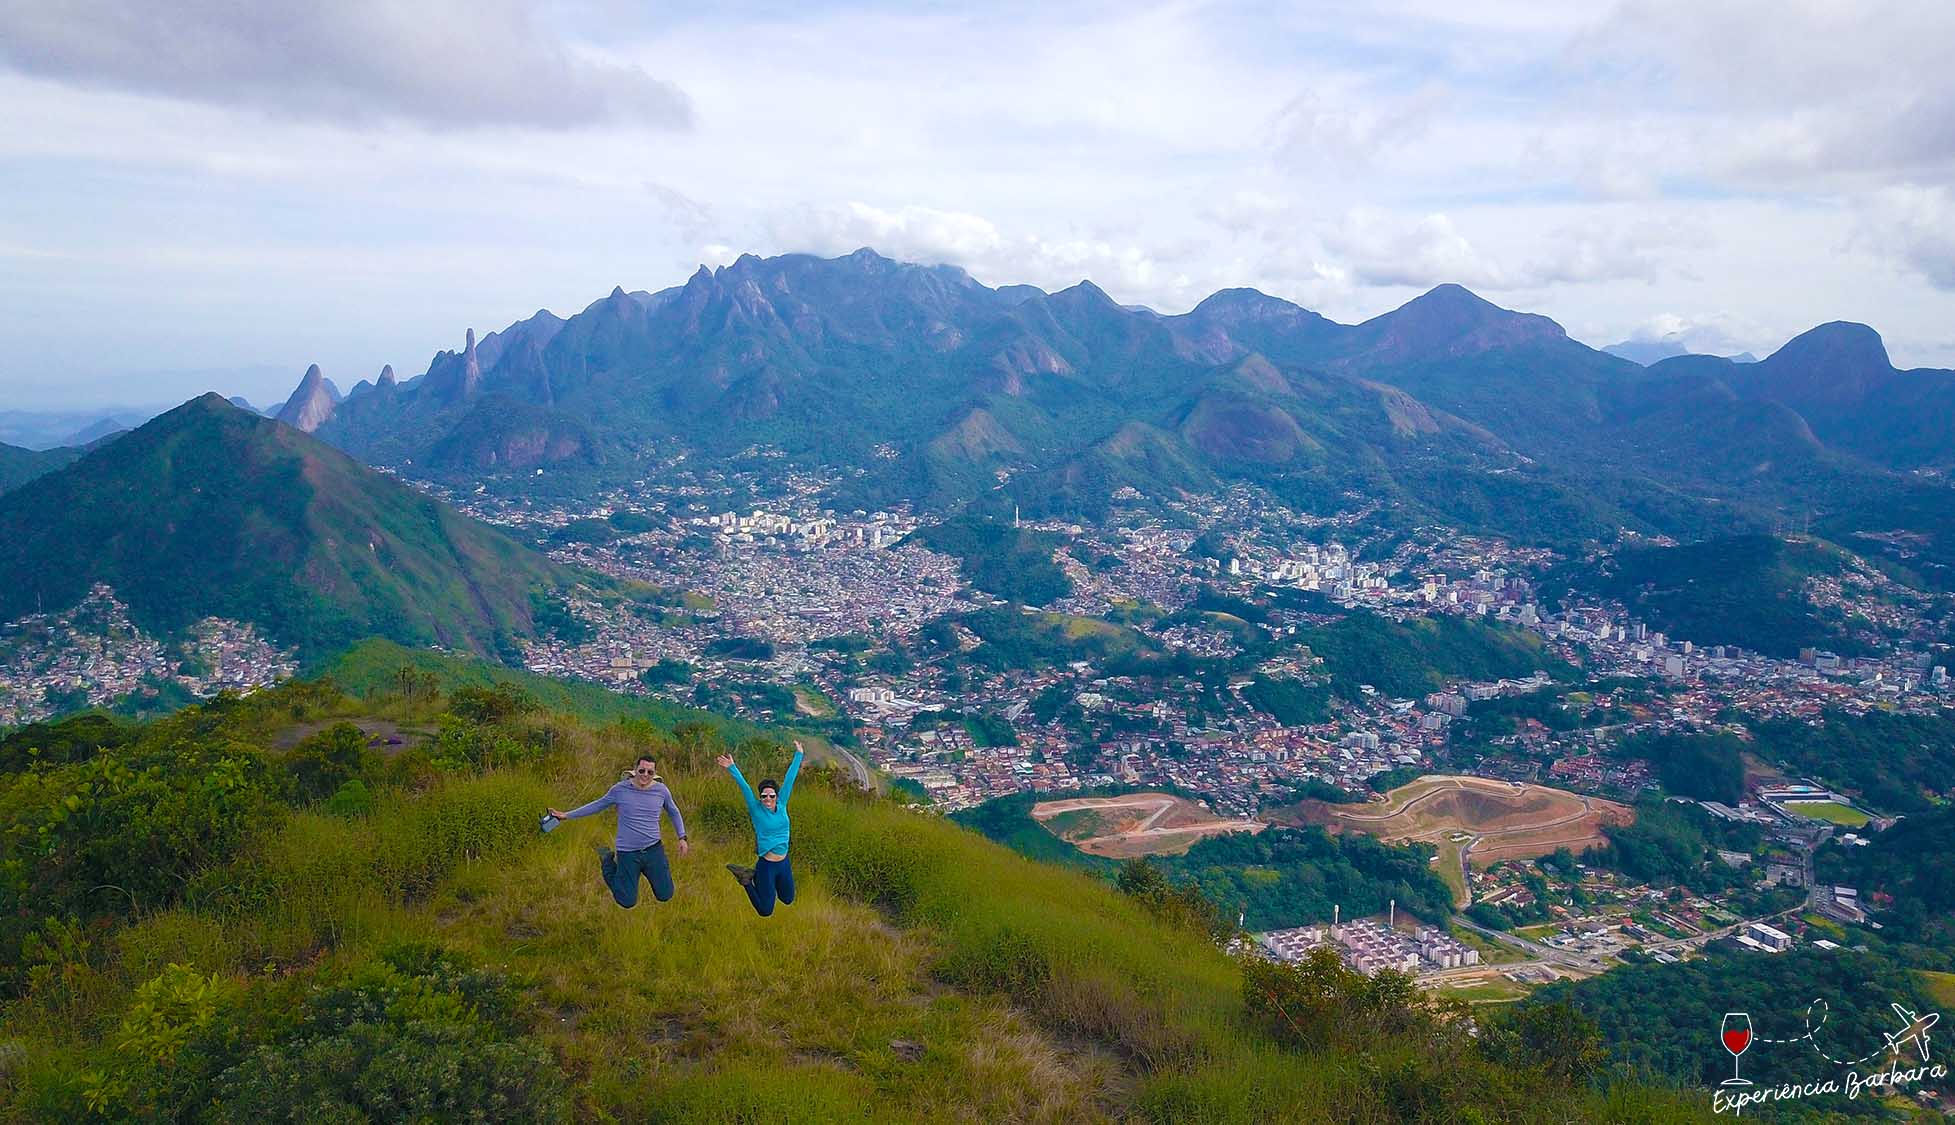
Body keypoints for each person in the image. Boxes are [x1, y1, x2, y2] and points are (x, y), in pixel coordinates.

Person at [549, 756, 689, 908]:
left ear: (655, 773)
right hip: (628, 852)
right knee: (626, 901)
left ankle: (646, 873)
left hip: (653, 850)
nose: (645, 775)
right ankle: (607, 860)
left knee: (665, 895)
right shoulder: (619, 790)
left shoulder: (661, 790)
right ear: (635, 770)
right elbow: (597, 805)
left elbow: (674, 812)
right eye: (642, 770)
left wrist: (682, 837)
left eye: (650, 772)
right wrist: (566, 815)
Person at [718, 740, 803, 917]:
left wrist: (799, 754)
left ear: (776, 796)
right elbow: (745, 787)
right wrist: (731, 767)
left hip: (784, 862)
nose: (767, 799)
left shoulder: (782, 803)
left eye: (771, 795)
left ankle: (760, 881)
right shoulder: (756, 809)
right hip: (767, 865)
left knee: (787, 899)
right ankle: (746, 879)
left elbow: (790, 779)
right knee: (765, 910)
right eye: (764, 796)